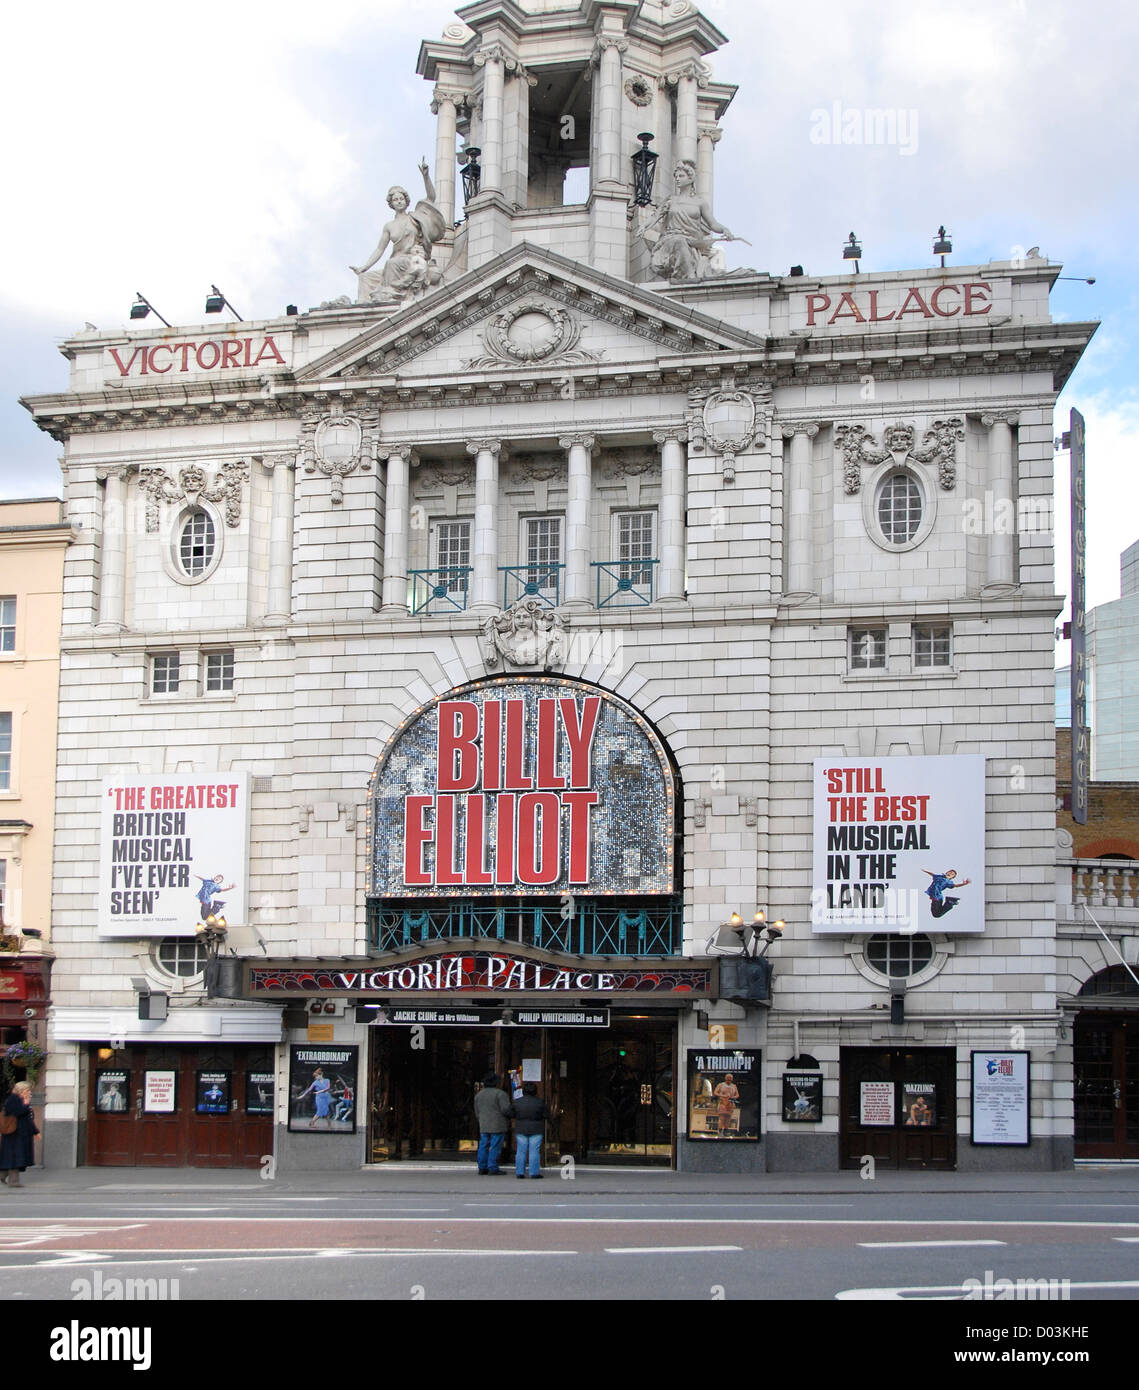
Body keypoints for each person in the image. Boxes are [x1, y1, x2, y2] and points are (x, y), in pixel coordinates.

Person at [350, 159, 447, 303]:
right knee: (366, 278)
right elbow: (379, 250)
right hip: (396, 265)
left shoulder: (415, 218)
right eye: (395, 199)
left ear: (406, 201)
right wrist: (363, 267)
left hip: (412, 260)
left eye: (401, 198)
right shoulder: (389, 226)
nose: (399, 201)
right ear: (391, 204)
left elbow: (431, 197)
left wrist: (425, 176)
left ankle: (389, 295)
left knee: (391, 263)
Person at [642, 159, 738, 282]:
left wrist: (725, 230)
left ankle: (686, 279)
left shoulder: (700, 202)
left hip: (692, 241)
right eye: (676, 176)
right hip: (670, 240)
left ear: (690, 178)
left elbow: (713, 224)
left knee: (682, 243)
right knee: (679, 242)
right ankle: (689, 278)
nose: (677, 179)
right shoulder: (671, 200)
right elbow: (655, 217)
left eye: (681, 176)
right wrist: (644, 226)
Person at [0, 1082, 39, 1188]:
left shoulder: (21, 1100)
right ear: (21, 1091)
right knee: (15, 1157)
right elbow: (17, 1112)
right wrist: (26, 1104)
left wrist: (36, 1131)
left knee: (16, 1157)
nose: (29, 1093)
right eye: (27, 1090)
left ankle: (3, 1175)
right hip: (13, 1134)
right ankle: (13, 1182)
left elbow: (28, 1118)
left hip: (22, 1134)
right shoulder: (13, 1100)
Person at [473, 1072, 511, 1174]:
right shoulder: (500, 1094)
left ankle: (482, 1167)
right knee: (495, 1146)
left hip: (484, 1124)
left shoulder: (479, 1095)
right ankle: (492, 1167)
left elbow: (477, 1111)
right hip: (497, 1124)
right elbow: (506, 1110)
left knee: (483, 1145)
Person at [511, 1081, 548, 1179]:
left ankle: (519, 1172)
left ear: (523, 1091)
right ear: (535, 1091)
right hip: (536, 1129)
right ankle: (534, 1173)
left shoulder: (517, 1102)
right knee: (534, 1151)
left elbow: (509, 1113)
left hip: (521, 1128)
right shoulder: (540, 1102)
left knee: (520, 1151)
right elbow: (546, 1115)